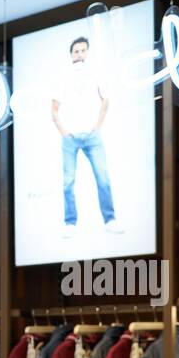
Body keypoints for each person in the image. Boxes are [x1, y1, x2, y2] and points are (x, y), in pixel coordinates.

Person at [51, 35, 122, 236]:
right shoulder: (63, 77)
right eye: (76, 51)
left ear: (87, 52)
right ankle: (70, 223)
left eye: (83, 50)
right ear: (71, 55)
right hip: (70, 137)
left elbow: (105, 100)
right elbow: (54, 108)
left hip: (92, 136)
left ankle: (110, 219)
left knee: (103, 178)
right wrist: (64, 132)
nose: (80, 54)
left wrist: (97, 126)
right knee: (68, 182)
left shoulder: (95, 74)